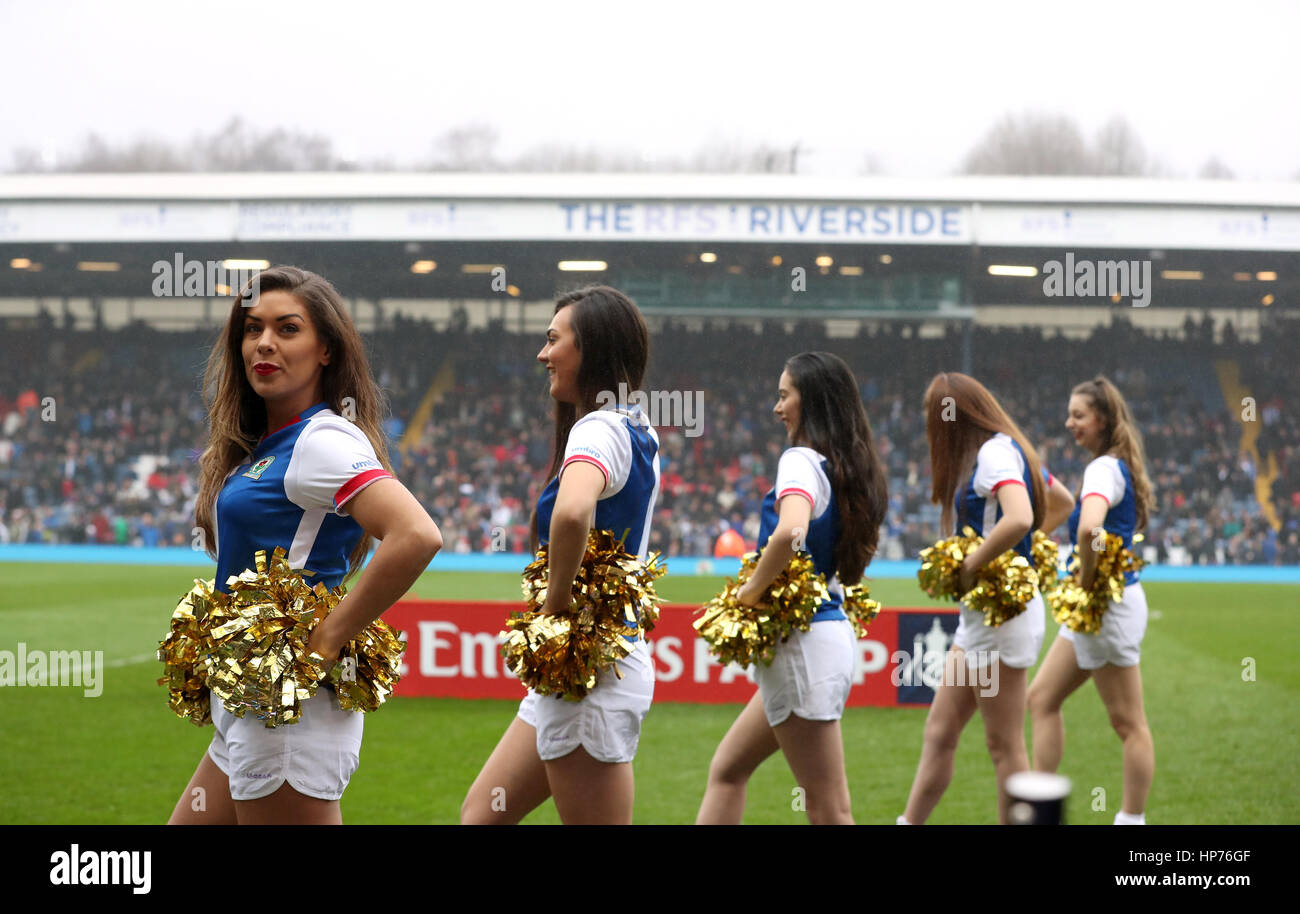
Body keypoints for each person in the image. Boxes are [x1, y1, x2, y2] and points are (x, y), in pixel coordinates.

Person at [168, 266, 442, 825]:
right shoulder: (267, 444)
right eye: (252, 329)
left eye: (287, 328)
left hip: (287, 714)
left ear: (325, 350)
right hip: (250, 700)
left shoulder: (322, 440)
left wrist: (327, 640)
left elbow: (416, 535)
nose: (264, 343)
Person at [460, 286, 659, 825]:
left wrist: (555, 606)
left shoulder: (598, 426)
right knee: (481, 813)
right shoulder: (635, 427)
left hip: (591, 671)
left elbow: (572, 514)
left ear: (590, 348)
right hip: (586, 670)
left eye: (553, 340)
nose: (542, 354)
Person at [696, 352, 888, 825]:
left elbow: (790, 532)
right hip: (819, 641)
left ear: (813, 401)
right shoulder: (840, 469)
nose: (777, 407)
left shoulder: (800, 460)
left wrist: (748, 594)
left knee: (829, 810)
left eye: (785, 395)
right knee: (728, 768)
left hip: (804, 647)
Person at [899, 372, 1074, 825]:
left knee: (1004, 745)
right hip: (982, 621)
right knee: (940, 732)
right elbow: (1061, 501)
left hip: (1001, 620)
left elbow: (1018, 516)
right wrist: (1022, 553)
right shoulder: (1007, 447)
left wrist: (972, 565)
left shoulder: (994, 454)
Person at [1028, 376, 1156, 825]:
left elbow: (1090, 531)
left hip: (1106, 608)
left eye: (1078, 415)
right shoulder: (1113, 464)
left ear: (1101, 419)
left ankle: (1129, 821)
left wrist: (1083, 577)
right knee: (1041, 698)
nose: (1069, 423)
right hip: (1099, 609)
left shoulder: (1103, 469)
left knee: (1129, 724)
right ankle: (1041, 810)